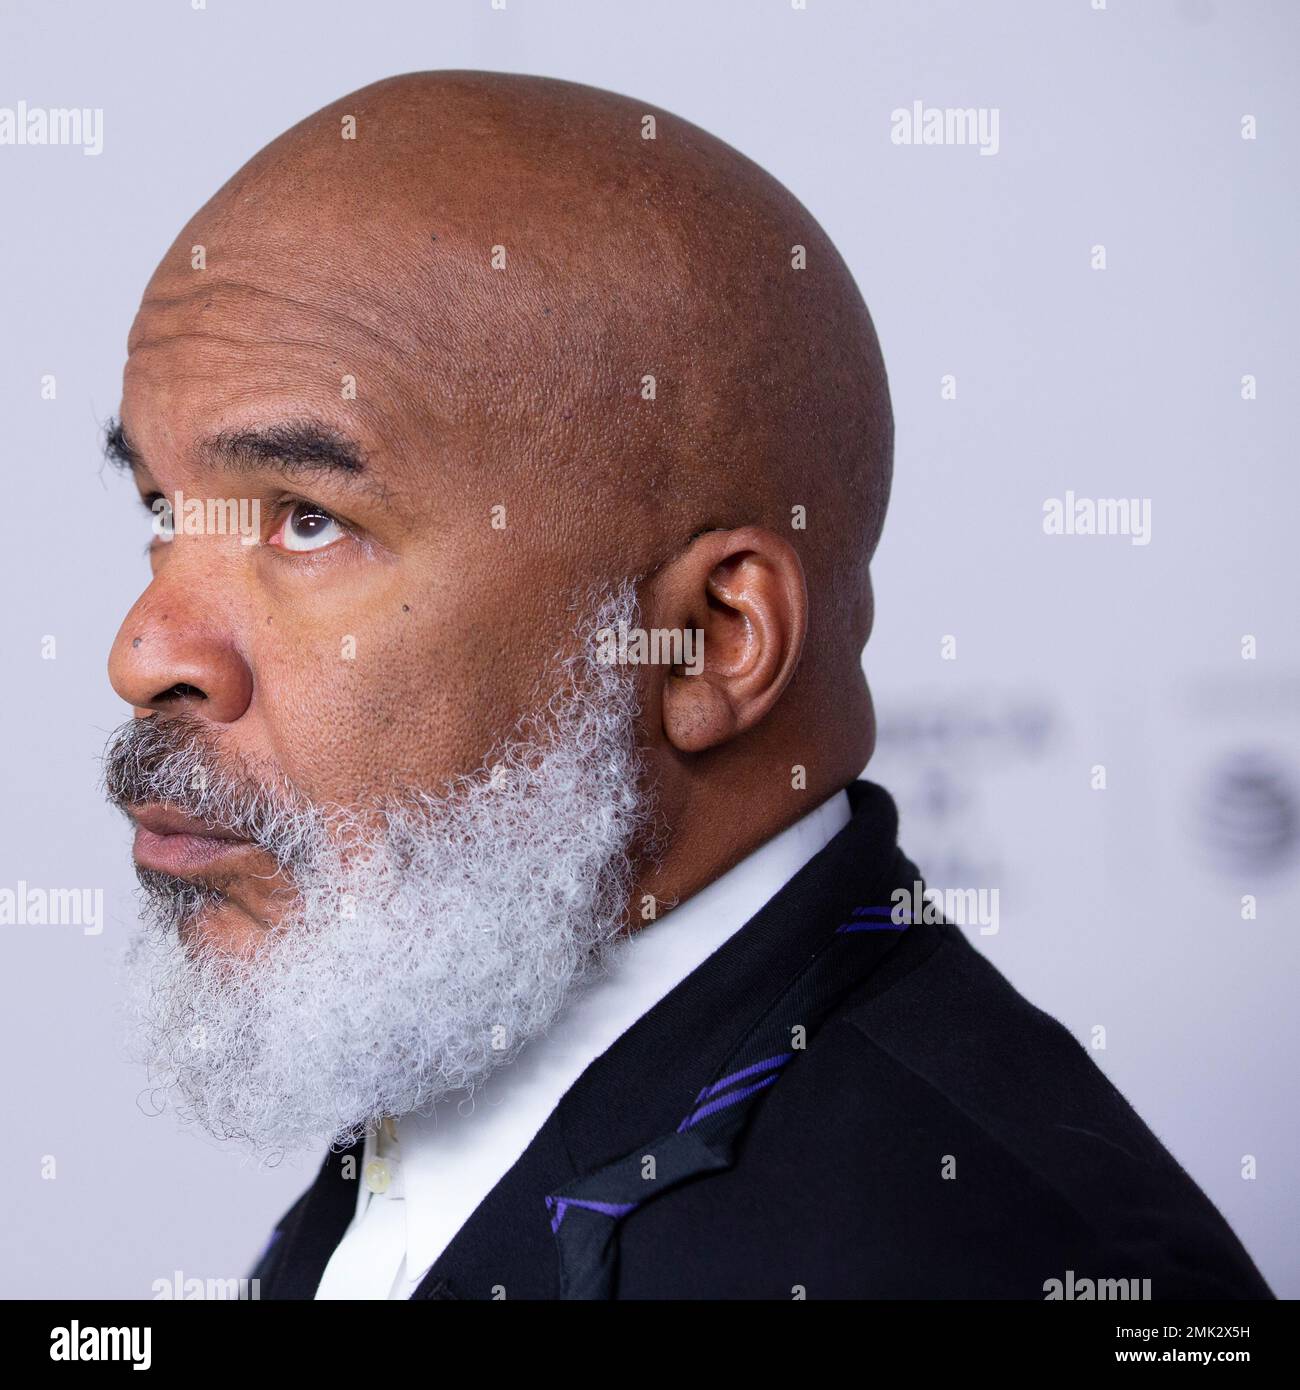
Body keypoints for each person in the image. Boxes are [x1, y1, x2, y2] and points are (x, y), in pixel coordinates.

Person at [103, 71, 1271, 1300]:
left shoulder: (994, 1260)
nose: (144, 649)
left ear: (711, 641)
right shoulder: (460, 1100)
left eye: (304, 522)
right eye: (164, 514)